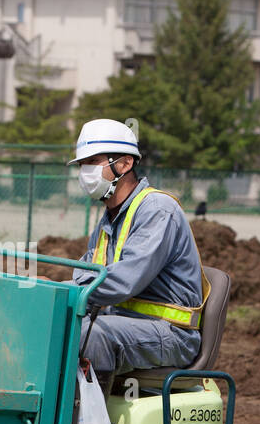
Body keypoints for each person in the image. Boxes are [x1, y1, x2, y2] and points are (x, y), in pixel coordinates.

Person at [67, 118, 210, 380]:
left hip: (171, 334)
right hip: (128, 323)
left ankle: (84, 420)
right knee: (61, 328)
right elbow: (87, 272)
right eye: (82, 165)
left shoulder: (156, 209)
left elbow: (123, 281)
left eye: (93, 161)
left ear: (125, 163)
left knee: (92, 336)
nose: (85, 172)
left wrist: (66, 293)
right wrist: (54, 292)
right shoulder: (109, 218)